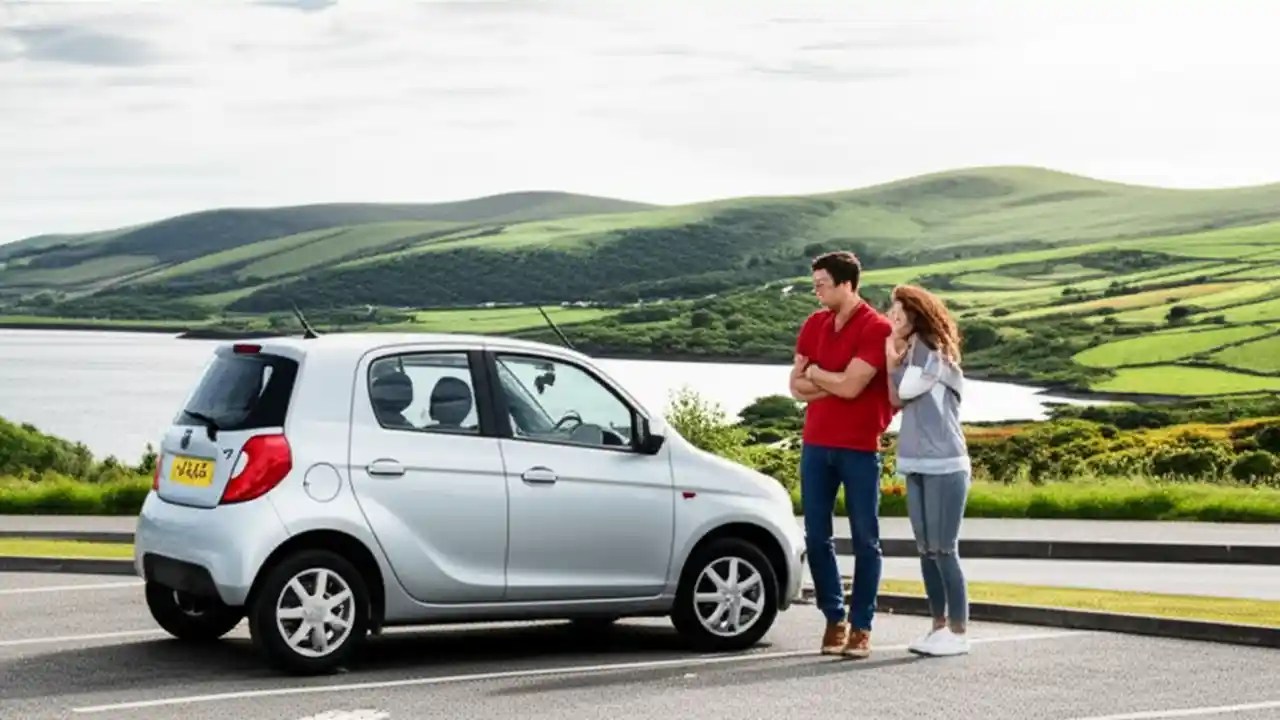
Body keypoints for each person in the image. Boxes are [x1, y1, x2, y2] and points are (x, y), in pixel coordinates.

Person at [790, 251, 894, 659]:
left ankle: (862, 626)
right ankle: (834, 618)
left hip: (859, 447)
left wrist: (816, 373)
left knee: (866, 540)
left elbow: (852, 388)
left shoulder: (876, 327)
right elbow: (795, 387)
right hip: (816, 443)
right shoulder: (813, 324)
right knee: (817, 537)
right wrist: (830, 379)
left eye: (822, 284)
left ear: (847, 284)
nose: (816, 290)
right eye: (814, 283)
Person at [884, 284, 972, 657]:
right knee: (925, 550)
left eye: (897, 313)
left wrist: (892, 358)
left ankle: (958, 632)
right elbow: (893, 398)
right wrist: (893, 360)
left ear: (915, 316)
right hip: (916, 462)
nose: (891, 317)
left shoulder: (931, 352)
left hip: (945, 464)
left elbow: (904, 389)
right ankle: (938, 627)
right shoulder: (911, 353)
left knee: (943, 549)